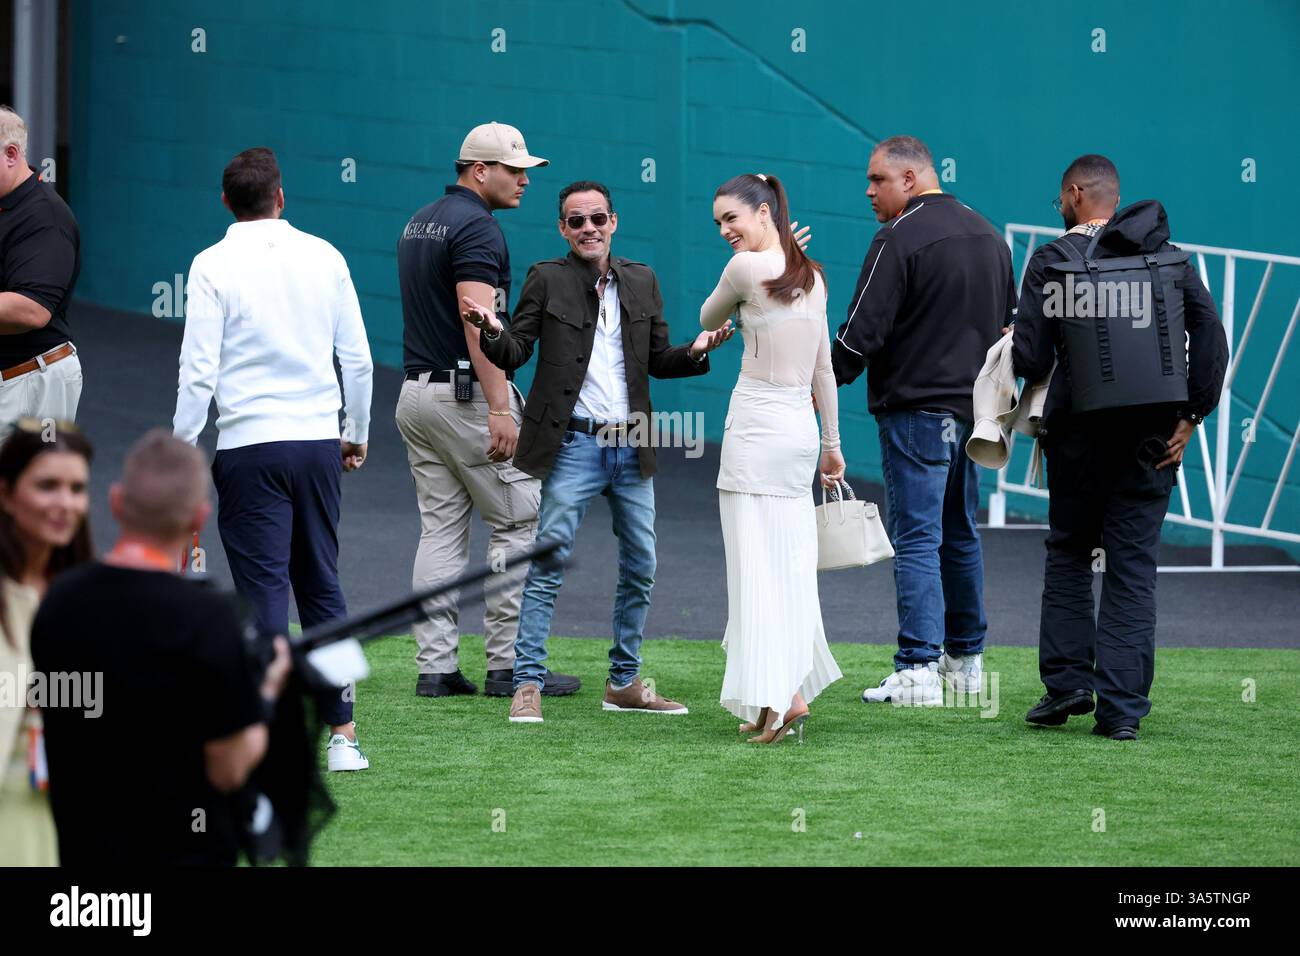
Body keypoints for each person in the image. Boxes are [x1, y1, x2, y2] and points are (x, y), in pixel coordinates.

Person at [462, 180, 731, 724]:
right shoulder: (546, 278)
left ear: (613, 222)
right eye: (576, 221)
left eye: (597, 218)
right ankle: (527, 683)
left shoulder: (642, 280)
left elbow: (659, 358)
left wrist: (696, 352)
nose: (588, 228)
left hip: (631, 445)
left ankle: (624, 682)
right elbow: (516, 348)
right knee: (548, 562)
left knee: (642, 565)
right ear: (563, 229)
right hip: (573, 443)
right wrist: (492, 331)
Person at [1013, 155, 1228, 740]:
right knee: (1132, 568)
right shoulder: (1169, 259)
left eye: (1060, 198)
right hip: (1153, 437)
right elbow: (1211, 333)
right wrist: (1194, 413)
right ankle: (1122, 712)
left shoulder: (1051, 261)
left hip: (1078, 436)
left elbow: (1030, 360)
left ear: (1076, 194)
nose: (1058, 207)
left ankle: (1066, 686)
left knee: (1070, 554)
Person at [173, 146, 372, 771]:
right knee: (322, 586)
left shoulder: (210, 264)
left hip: (247, 447)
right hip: (317, 445)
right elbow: (359, 362)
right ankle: (343, 738)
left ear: (226, 203)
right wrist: (355, 431)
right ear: (281, 197)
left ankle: (266, 742)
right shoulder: (327, 256)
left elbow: (197, 373)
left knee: (263, 596)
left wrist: (180, 457)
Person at [31, 429, 293, 865]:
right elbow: (228, 767)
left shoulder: (58, 601)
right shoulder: (212, 618)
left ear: (115, 503)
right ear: (198, 519)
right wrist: (264, 697)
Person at [396, 123, 579, 701]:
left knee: (441, 529)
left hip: (415, 395)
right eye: (514, 169)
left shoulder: (420, 219)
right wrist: (500, 405)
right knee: (519, 520)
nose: (525, 180)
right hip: (466, 395)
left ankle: (436, 669)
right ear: (480, 170)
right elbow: (480, 322)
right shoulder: (479, 227)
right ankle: (510, 667)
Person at [832, 135, 1013, 706]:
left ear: (910, 179)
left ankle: (917, 669)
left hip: (916, 414)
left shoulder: (897, 236)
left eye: (877, 180)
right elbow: (1009, 329)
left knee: (916, 537)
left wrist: (816, 384)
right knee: (959, 536)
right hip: (973, 417)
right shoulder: (991, 237)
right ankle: (964, 666)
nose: (868, 191)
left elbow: (861, 334)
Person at [699, 173, 845, 744]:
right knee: (784, 566)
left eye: (731, 218)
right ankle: (778, 698)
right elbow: (824, 371)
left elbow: (711, 318)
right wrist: (832, 446)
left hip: (758, 429)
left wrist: (755, 272)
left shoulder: (744, 271)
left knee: (754, 566)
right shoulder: (811, 276)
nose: (724, 231)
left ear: (765, 212)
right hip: (800, 434)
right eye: (717, 222)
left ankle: (782, 698)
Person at [0, 419, 92, 865]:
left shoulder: (89, 600)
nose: (65, 503)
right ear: (5, 493)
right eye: (47, 486)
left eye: (76, 488)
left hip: (65, 823)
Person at [0, 106, 82, 425]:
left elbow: (32, 309)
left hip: (29, 384)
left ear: (10, 154)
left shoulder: (45, 217)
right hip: (13, 380)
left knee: (30, 477)